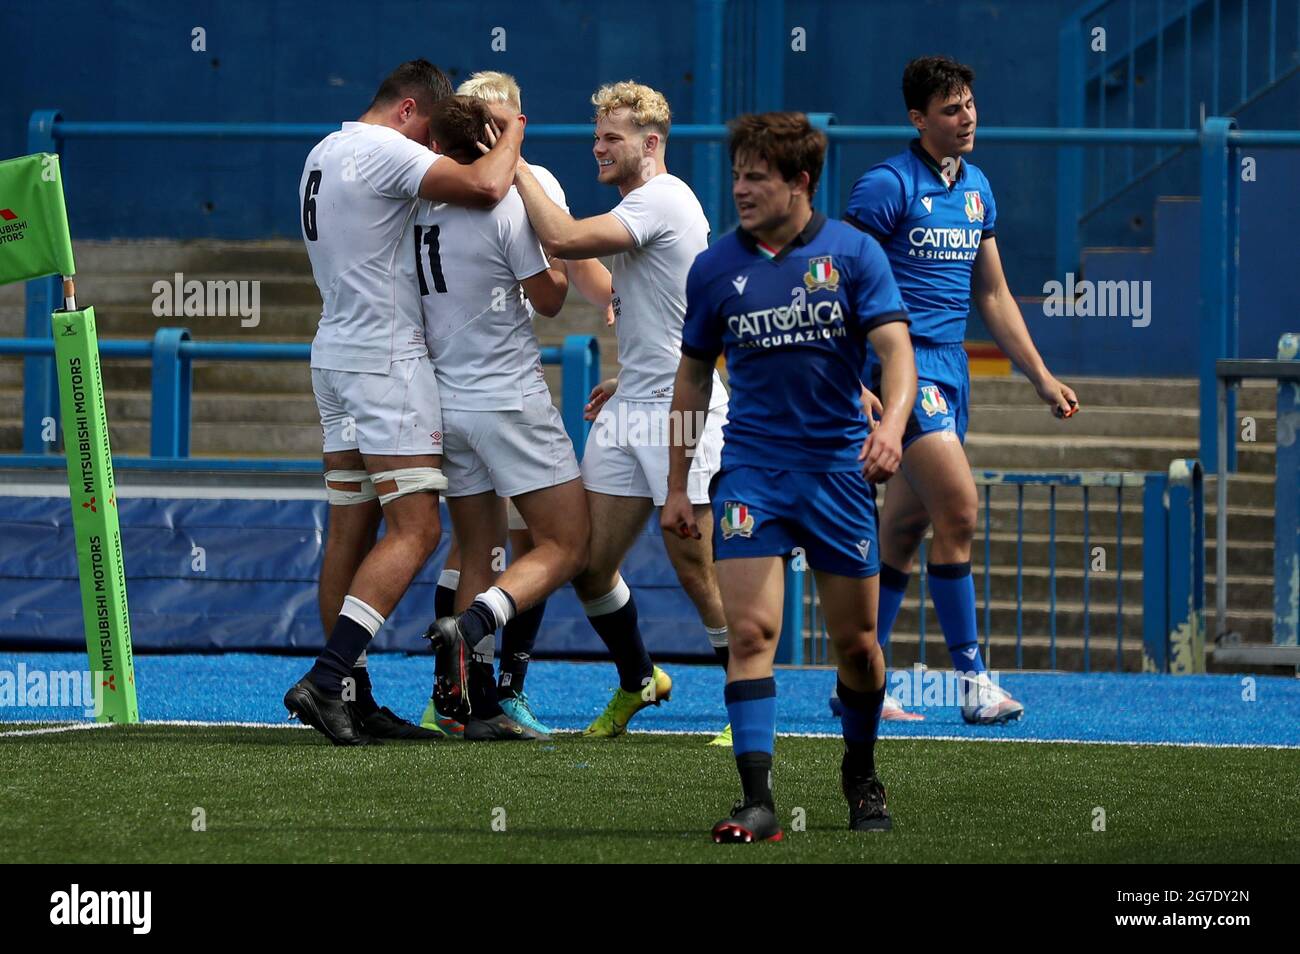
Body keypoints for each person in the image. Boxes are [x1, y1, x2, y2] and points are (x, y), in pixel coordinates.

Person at [664, 112, 916, 841]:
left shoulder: (855, 253)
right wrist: (678, 482)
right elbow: (690, 382)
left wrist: (892, 430)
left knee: (858, 646)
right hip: (750, 474)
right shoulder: (713, 268)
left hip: (838, 474)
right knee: (751, 632)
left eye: (757, 176)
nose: (740, 188)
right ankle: (757, 800)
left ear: (800, 183)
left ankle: (861, 771)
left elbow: (897, 354)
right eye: (737, 174)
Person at [284, 59, 523, 745]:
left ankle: (351, 698)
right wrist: (512, 129)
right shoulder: (385, 148)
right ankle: (328, 680)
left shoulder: (322, 151)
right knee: (416, 530)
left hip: (333, 353)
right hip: (385, 361)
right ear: (409, 109)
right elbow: (485, 183)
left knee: (352, 531)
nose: (429, 151)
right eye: (428, 134)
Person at [840, 56, 1078, 724]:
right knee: (962, 511)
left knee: (907, 530)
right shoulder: (887, 185)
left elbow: (994, 295)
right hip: (902, 371)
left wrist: (1041, 377)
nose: (966, 116)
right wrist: (849, 376)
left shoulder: (977, 190)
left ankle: (862, 682)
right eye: (950, 108)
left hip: (953, 370)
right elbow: (836, 281)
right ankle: (973, 681)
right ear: (918, 119)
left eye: (969, 104)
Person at [509, 81, 732, 739]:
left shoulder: (661, 198)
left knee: (695, 566)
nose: (599, 147)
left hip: (682, 413)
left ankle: (750, 707)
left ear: (651, 142)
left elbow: (570, 240)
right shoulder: (642, 205)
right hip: (634, 402)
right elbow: (621, 297)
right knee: (585, 562)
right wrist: (626, 373)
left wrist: (512, 160)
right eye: (597, 136)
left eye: (613, 137)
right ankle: (639, 680)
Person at [422, 70, 615, 739]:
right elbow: (551, 296)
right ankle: (473, 628)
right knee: (569, 541)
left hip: (443, 397)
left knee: (480, 549)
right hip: (505, 395)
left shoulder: (421, 202)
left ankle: (470, 705)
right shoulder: (508, 200)